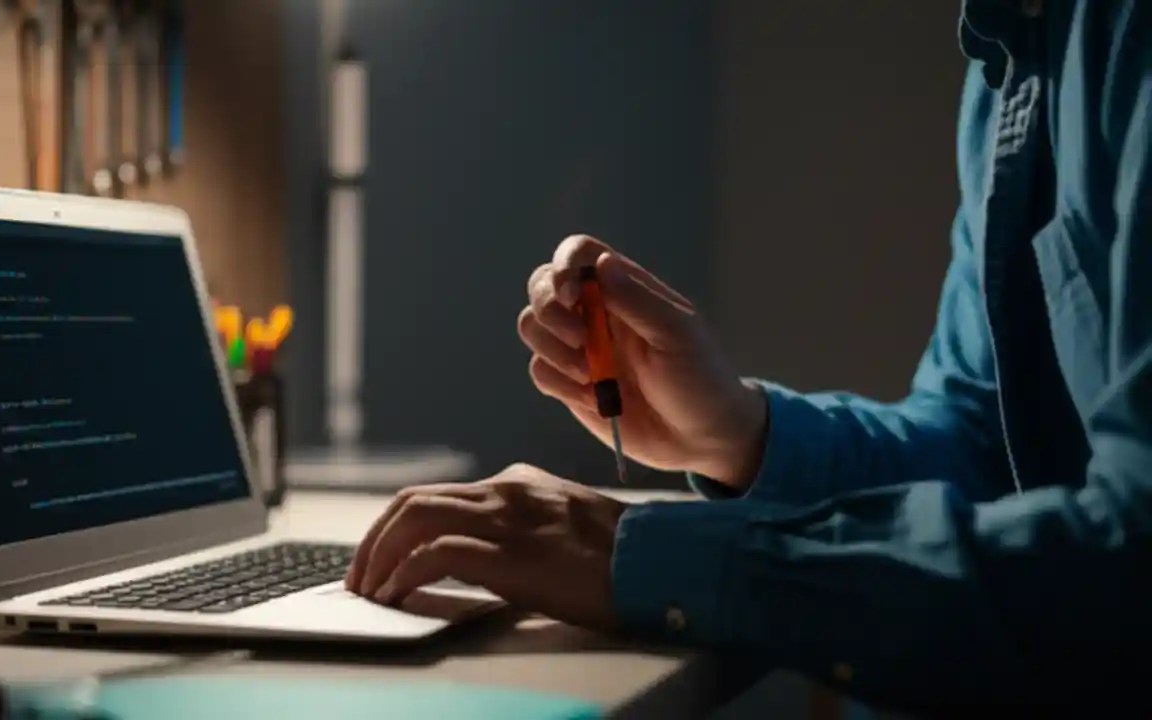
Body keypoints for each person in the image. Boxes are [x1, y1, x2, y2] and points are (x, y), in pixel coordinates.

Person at [345, 0, 1151, 708]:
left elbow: (1131, 564)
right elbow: (983, 449)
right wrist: (738, 433)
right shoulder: (1010, 49)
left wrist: (644, 556)